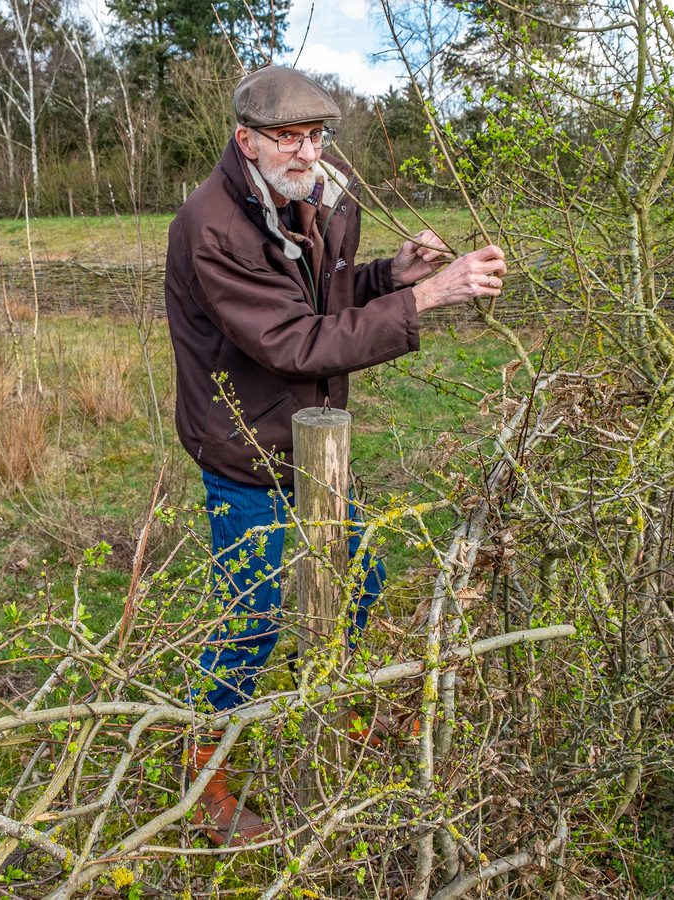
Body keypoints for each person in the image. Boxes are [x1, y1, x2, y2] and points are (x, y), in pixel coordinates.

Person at [164, 65, 507, 845]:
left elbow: (324, 294)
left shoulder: (316, 192)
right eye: (286, 137)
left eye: (315, 135)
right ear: (245, 140)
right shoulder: (211, 224)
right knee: (250, 613)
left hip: (315, 440)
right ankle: (202, 766)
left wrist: (394, 274)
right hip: (244, 446)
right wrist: (429, 297)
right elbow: (290, 339)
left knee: (360, 576)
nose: (304, 150)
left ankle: (327, 707)